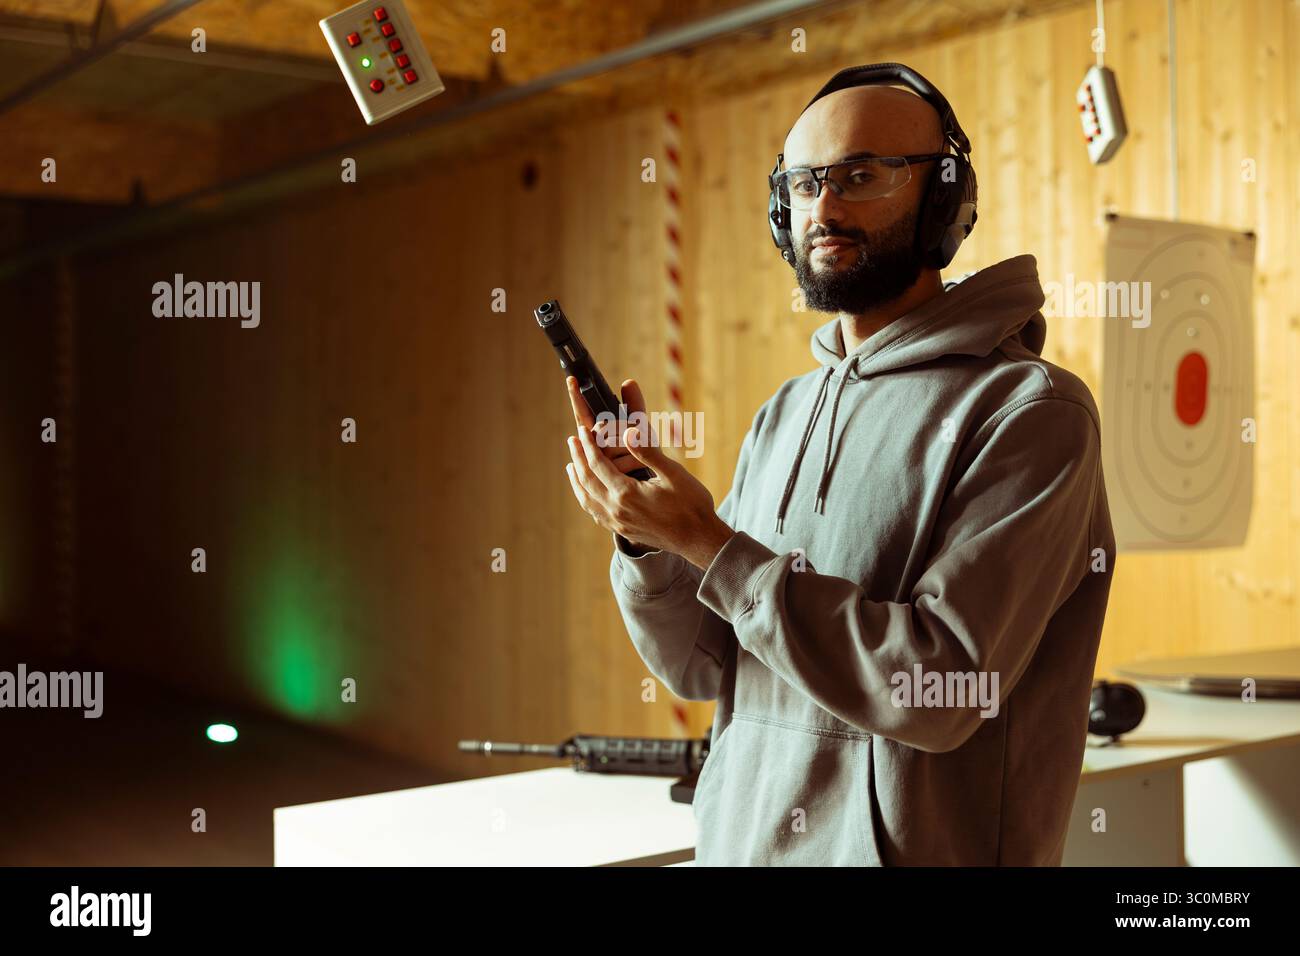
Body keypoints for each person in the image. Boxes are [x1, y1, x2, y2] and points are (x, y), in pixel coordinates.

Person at [562, 63, 1116, 866]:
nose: (824, 206)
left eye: (862, 175)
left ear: (944, 199)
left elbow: (940, 686)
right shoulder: (784, 412)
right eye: (803, 181)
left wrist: (715, 547)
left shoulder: (1032, 414)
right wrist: (652, 542)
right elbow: (703, 666)